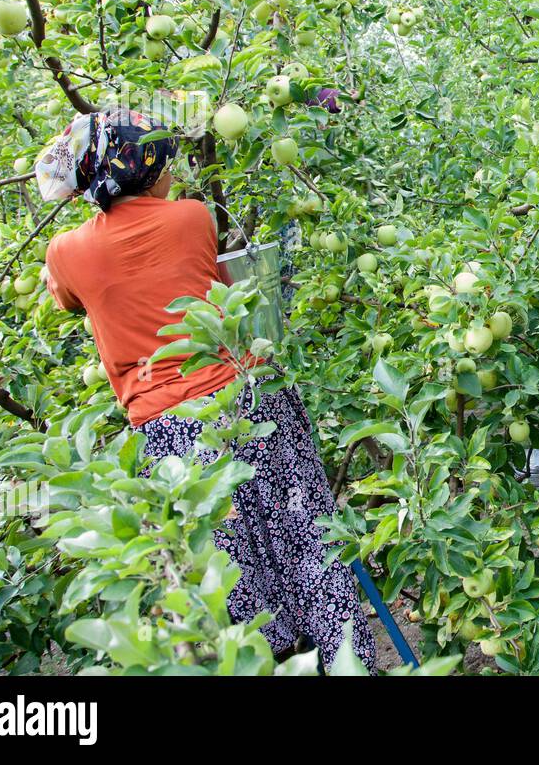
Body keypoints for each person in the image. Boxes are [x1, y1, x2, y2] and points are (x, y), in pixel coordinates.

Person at [36, 108, 378, 672]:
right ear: (142, 172)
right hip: (247, 405)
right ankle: (349, 663)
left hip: (171, 435)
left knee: (226, 572)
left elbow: (66, 300)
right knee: (309, 543)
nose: (173, 173)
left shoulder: (66, 253)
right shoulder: (192, 217)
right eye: (163, 164)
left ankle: (263, 663)